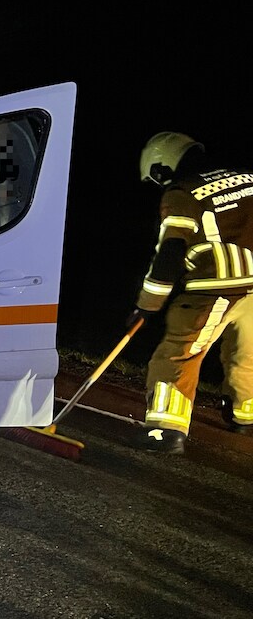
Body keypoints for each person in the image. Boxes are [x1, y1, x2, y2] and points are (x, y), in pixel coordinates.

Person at [129, 132, 253, 453]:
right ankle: (246, 414)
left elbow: (170, 250)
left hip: (217, 285)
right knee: (247, 352)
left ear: (162, 169)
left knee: (179, 353)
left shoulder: (182, 194)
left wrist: (148, 305)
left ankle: (165, 430)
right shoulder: (248, 178)